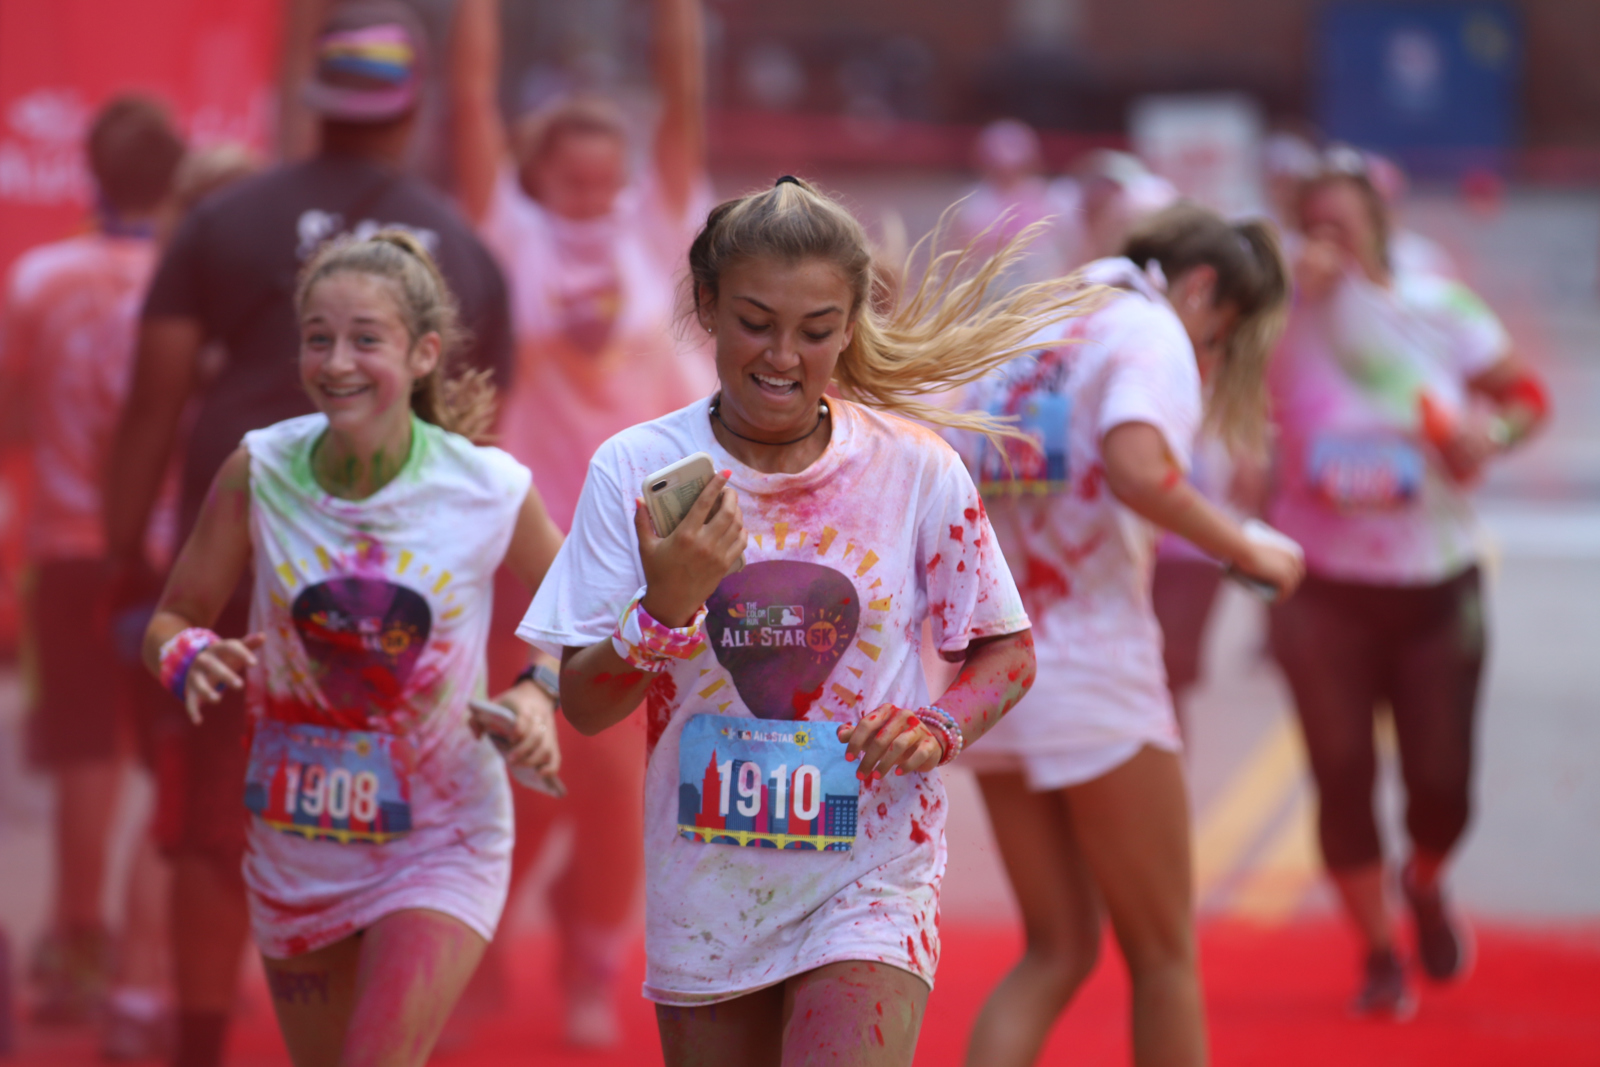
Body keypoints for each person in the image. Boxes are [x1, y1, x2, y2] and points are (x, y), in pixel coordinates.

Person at [517, 175, 1087, 1065]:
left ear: (851, 325)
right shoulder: (639, 469)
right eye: (754, 321)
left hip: (871, 874)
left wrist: (938, 724)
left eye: (816, 331)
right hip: (707, 885)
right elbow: (585, 705)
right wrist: (666, 607)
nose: (783, 355)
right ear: (705, 304)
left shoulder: (914, 469)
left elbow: (1005, 652)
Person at [104, 6, 514, 1066]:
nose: (335, 360)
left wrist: (125, 567)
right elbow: (477, 442)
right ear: (411, 105)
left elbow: (151, 402)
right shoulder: (463, 243)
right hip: (384, 593)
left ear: (315, 101)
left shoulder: (221, 221)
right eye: (317, 338)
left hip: (249, 579)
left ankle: (200, 1041)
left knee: (206, 820)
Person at [141, 231, 564, 1066]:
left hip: (444, 836)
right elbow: (173, 617)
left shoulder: (487, 487)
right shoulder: (259, 471)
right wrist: (188, 652)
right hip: (296, 839)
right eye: (318, 338)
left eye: (366, 339)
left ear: (422, 354)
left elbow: (580, 613)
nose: (337, 362)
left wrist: (535, 692)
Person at [959, 203, 1301, 1067]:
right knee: (1164, 957)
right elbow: (1139, 465)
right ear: (1199, 289)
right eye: (1218, 337)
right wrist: (1247, 547)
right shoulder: (1149, 331)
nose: (1210, 357)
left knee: (1056, 948)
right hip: (1096, 666)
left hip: (990, 674)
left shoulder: (1033, 324)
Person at [448, 0, 713, 1041]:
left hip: (631, 547)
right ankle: (486, 942)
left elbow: (685, 99)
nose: (594, 193)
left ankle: (590, 955)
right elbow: (469, 97)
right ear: (538, 170)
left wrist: (676, 19)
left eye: (610, 175)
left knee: (612, 777)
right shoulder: (506, 228)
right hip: (523, 542)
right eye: (575, 177)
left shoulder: (656, 225)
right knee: (511, 752)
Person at [1267, 157, 1549, 1018]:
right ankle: (1379, 951)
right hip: (1322, 585)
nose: (1327, 246)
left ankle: (1423, 880)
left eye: (1342, 227)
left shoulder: (1438, 307)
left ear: (1379, 231)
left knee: (1442, 782)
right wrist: (1283, 285)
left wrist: (1488, 432)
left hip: (1435, 581)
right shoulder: (1278, 314)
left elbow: (1525, 396)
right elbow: (1206, 360)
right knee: (1341, 772)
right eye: (1312, 227)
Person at [0, 94, 185, 1053]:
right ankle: (145, 966)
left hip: (68, 547)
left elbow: (14, 409)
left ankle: (77, 950)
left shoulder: (38, 278)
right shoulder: (189, 277)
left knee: (83, 750)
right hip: (169, 552)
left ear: (91, 171)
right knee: (168, 755)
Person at [954, 119, 1082, 290]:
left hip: (1043, 292)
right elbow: (961, 257)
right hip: (990, 293)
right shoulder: (974, 201)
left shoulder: (1053, 196)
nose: (1008, 170)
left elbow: (1073, 248)